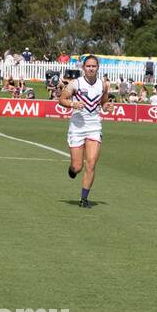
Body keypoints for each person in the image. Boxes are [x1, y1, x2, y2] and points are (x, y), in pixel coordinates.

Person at [60, 55, 107, 209]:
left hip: (94, 126)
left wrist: (106, 107)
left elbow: (104, 102)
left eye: (94, 66)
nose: (91, 69)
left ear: (98, 68)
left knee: (92, 163)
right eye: (88, 66)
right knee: (78, 166)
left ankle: (84, 198)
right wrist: (73, 104)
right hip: (77, 127)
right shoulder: (76, 84)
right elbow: (62, 99)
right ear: (83, 68)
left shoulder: (104, 85)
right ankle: (72, 169)